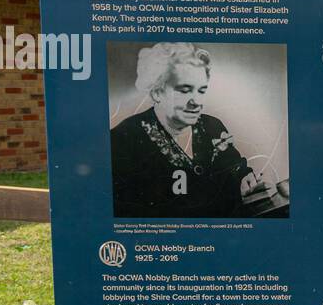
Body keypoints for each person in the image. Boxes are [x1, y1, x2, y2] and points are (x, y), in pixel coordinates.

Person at [110, 43, 267, 218]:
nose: (196, 102)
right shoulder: (122, 139)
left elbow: (233, 166)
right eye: (184, 90)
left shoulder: (212, 126)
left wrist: (243, 180)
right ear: (156, 93)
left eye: (201, 90)